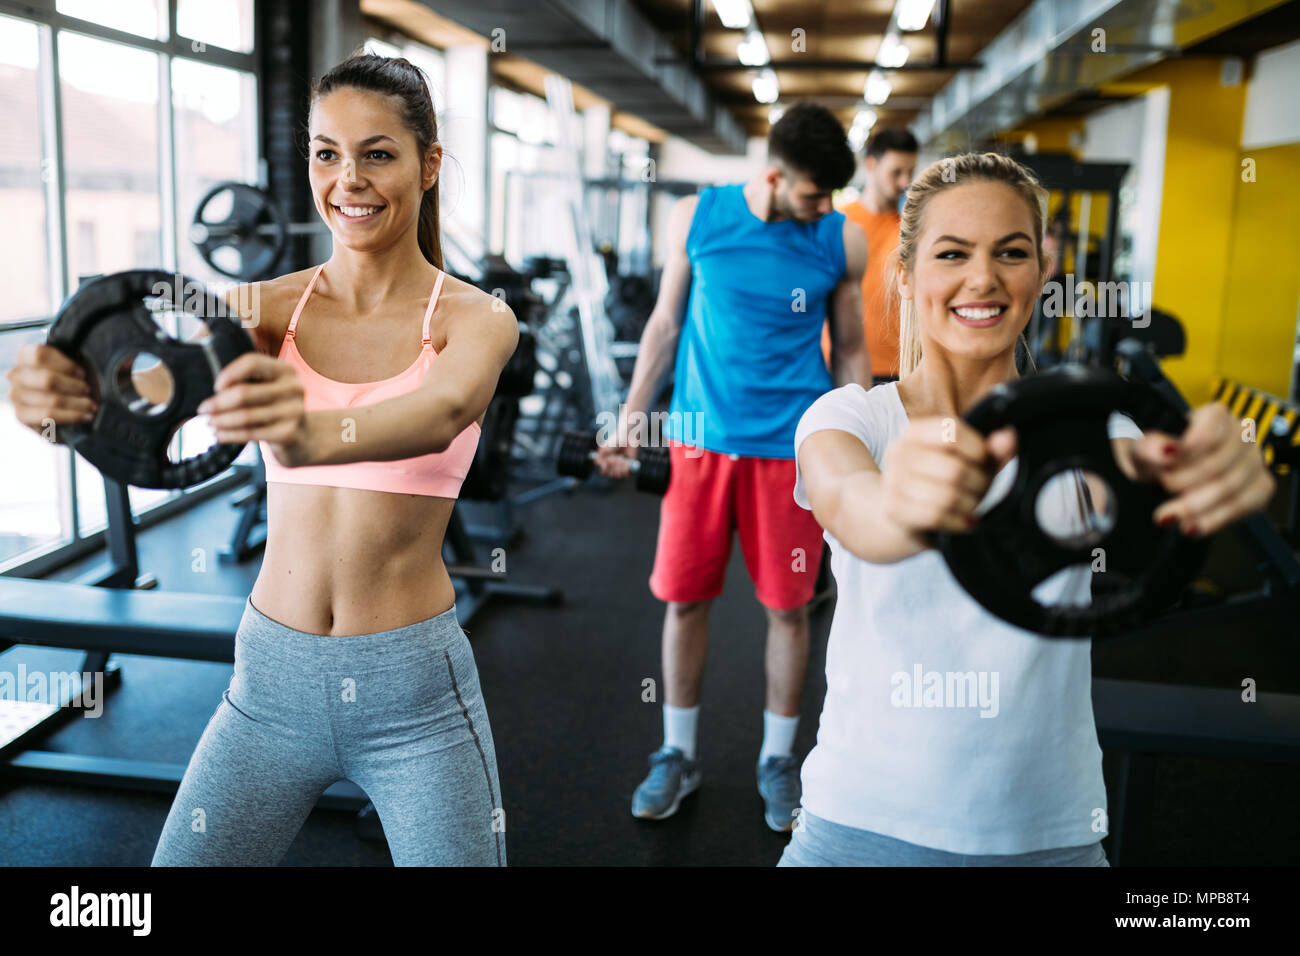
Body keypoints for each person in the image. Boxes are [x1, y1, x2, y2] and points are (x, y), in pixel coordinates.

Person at [8, 53, 518, 866]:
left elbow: (441, 410)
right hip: (268, 683)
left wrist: (315, 436)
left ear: (429, 165)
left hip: (413, 698)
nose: (347, 179)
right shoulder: (265, 307)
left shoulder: (477, 317)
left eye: (377, 153)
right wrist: (56, 406)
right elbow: (142, 393)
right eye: (326, 152)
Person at [784, 151, 1276, 866]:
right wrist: (907, 501)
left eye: (1010, 253)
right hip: (858, 820)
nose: (983, 278)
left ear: (1041, 275)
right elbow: (854, 507)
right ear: (906, 273)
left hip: (1048, 832)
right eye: (952, 253)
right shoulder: (851, 419)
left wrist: (1212, 466)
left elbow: (1144, 476)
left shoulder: (1098, 431)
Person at [597, 103, 872, 831]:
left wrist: (865, 433)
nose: (825, 207)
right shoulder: (701, 217)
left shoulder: (838, 237)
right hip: (698, 442)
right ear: (776, 175)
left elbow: (848, 347)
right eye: (815, 193)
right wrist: (631, 416)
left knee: (788, 608)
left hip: (792, 449)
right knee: (684, 599)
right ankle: (677, 752)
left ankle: (778, 760)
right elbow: (664, 324)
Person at [821, 128, 918, 384]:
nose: (904, 182)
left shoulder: (913, 229)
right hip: (838, 368)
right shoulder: (836, 223)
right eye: (896, 172)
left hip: (900, 369)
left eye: (910, 172)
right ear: (871, 165)